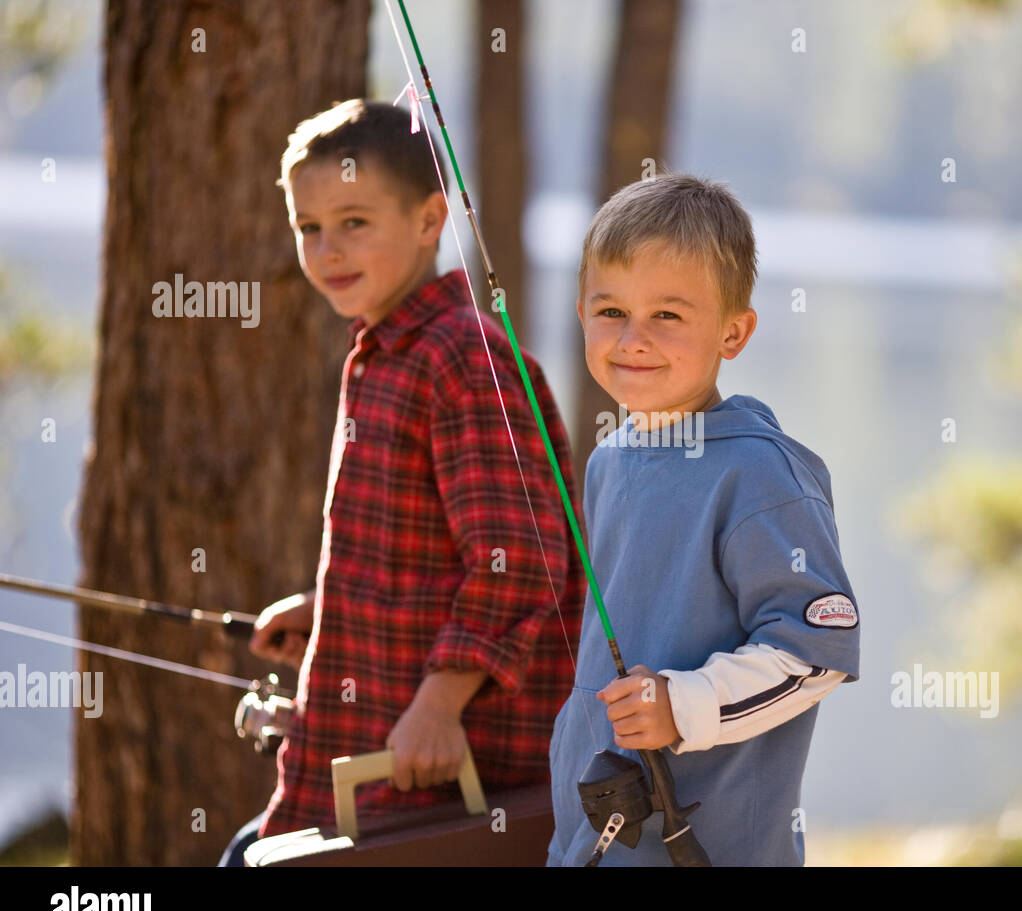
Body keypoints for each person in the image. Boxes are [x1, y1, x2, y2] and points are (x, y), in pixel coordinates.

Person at [219, 99, 585, 864]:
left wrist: (440, 701)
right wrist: (336, 612)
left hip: (445, 769)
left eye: (354, 221)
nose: (327, 250)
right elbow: (429, 553)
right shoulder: (386, 353)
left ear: (429, 221)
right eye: (308, 228)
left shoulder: (461, 356)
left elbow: (518, 557)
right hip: (371, 750)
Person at [546, 173, 861, 866]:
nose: (632, 338)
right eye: (609, 311)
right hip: (597, 842)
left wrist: (683, 705)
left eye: (667, 316)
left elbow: (817, 654)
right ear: (579, 312)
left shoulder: (759, 473)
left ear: (734, 332)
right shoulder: (609, 458)